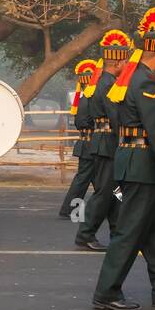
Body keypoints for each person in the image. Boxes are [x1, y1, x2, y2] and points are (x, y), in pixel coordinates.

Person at [92, 8, 155, 310]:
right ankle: (106, 292)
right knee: (128, 233)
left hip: (133, 161)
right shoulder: (147, 83)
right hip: (142, 166)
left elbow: (118, 121)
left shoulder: (129, 79)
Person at [74, 29, 134, 251]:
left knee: (111, 191)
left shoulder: (103, 81)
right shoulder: (108, 84)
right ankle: (85, 234)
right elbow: (115, 116)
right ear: (118, 62)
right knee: (104, 192)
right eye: (125, 60)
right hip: (107, 141)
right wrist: (127, 139)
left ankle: (117, 232)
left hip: (103, 140)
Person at [59, 59, 100, 218]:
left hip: (88, 143)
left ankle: (111, 207)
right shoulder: (89, 100)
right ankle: (69, 210)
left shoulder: (83, 99)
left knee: (99, 180)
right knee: (83, 179)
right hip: (90, 144)